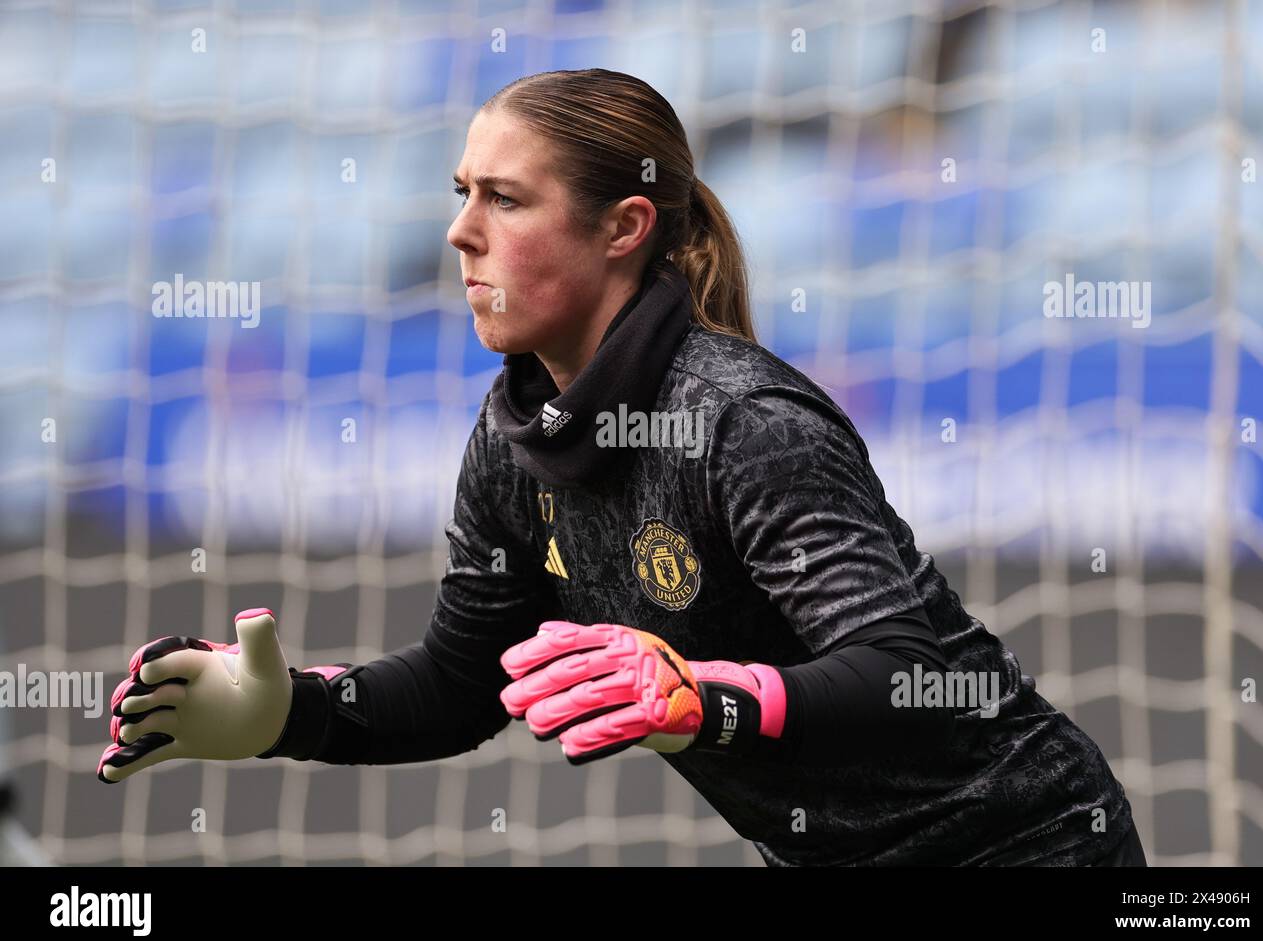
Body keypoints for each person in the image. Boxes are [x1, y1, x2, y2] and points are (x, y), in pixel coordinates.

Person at [98, 68, 1144, 867]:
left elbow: (897, 670)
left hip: (1030, 841)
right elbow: (464, 685)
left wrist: (705, 694)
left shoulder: (744, 418)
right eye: (463, 192)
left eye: (505, 200)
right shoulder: (514, 436)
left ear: (624, 227)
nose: (460, 231)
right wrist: (291, 715)